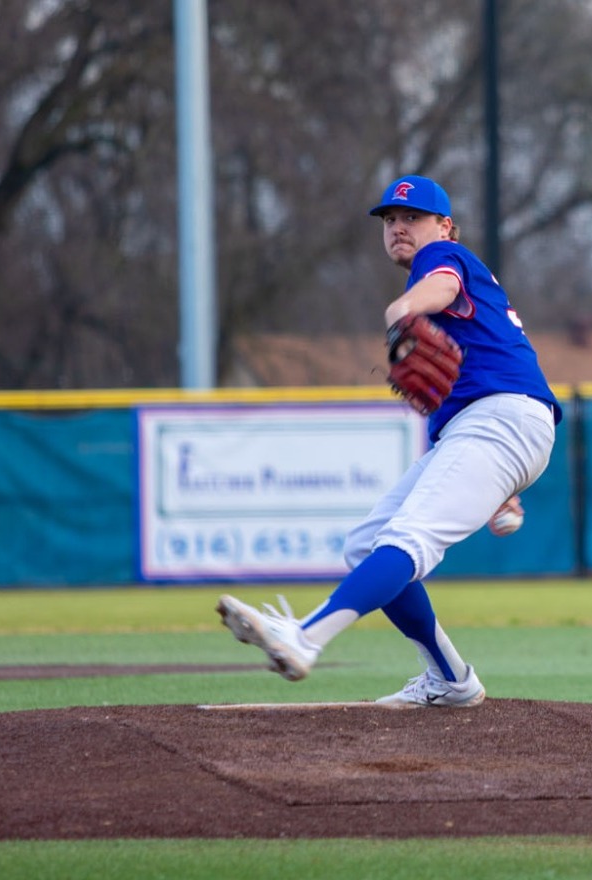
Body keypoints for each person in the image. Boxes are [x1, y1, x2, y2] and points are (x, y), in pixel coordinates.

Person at [215, 174, 562, 707]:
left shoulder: (443, 257)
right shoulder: (455, 296)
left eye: (412, 217)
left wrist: (402, 311)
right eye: (390, 220)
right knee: (366, 544)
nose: (399, 227)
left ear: (445, 226)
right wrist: (501, 484)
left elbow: (442, 283)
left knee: (410, 539)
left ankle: (304, 638)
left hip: (502, 420)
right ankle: (450, 677)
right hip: (491, 425)